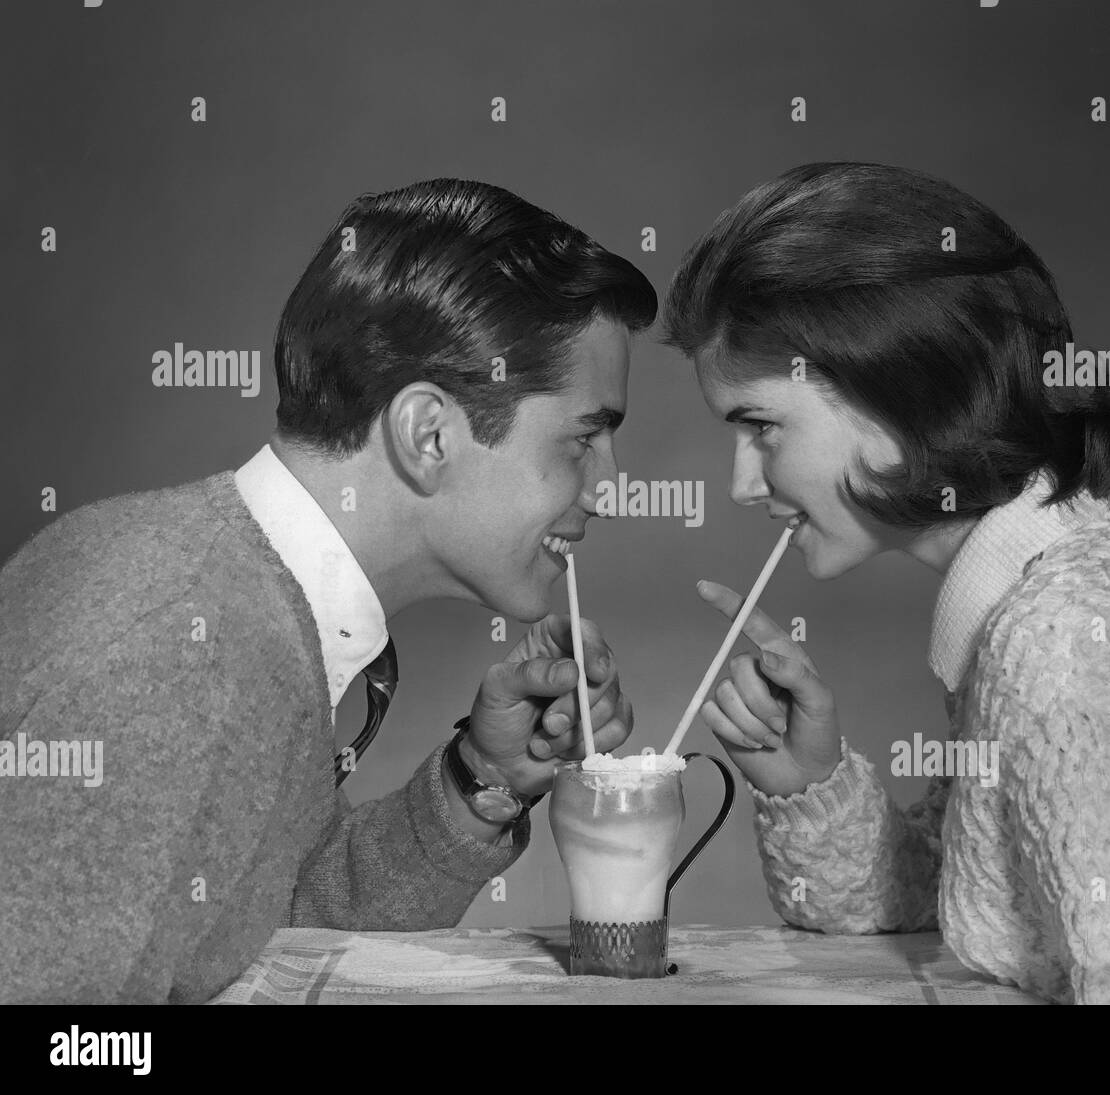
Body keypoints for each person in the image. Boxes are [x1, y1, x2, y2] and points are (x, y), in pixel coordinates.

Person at [0, 178, 655, 1003]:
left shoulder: (233, 603)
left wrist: (481, 777)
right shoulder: (178, 649)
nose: (611, 482)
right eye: (585, 437)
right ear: (429, 434)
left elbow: (254, 930)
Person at [660, 161, 1110, 1005]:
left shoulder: (1065, 644)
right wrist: (807, 780)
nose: (743, 483)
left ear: (901, 396)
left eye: (762, 426)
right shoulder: (1089, 574)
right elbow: (979, 899)